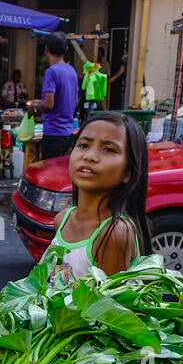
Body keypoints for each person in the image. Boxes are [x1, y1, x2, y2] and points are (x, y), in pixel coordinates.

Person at [42, 111, 151, 281]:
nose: (90, 156)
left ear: (127, 172)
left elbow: (107, 306)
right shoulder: (63, 219)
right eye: (84, 145)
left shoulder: (114, 233)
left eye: (108, 149)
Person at [27, 32, 80, 161]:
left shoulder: (52, 72)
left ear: (46, 50)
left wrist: (35, 107)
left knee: (50, 173)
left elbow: (49, 104)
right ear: (66, 49)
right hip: (68, 132)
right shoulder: (71, 70)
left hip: (54, 132)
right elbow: (75, 100)